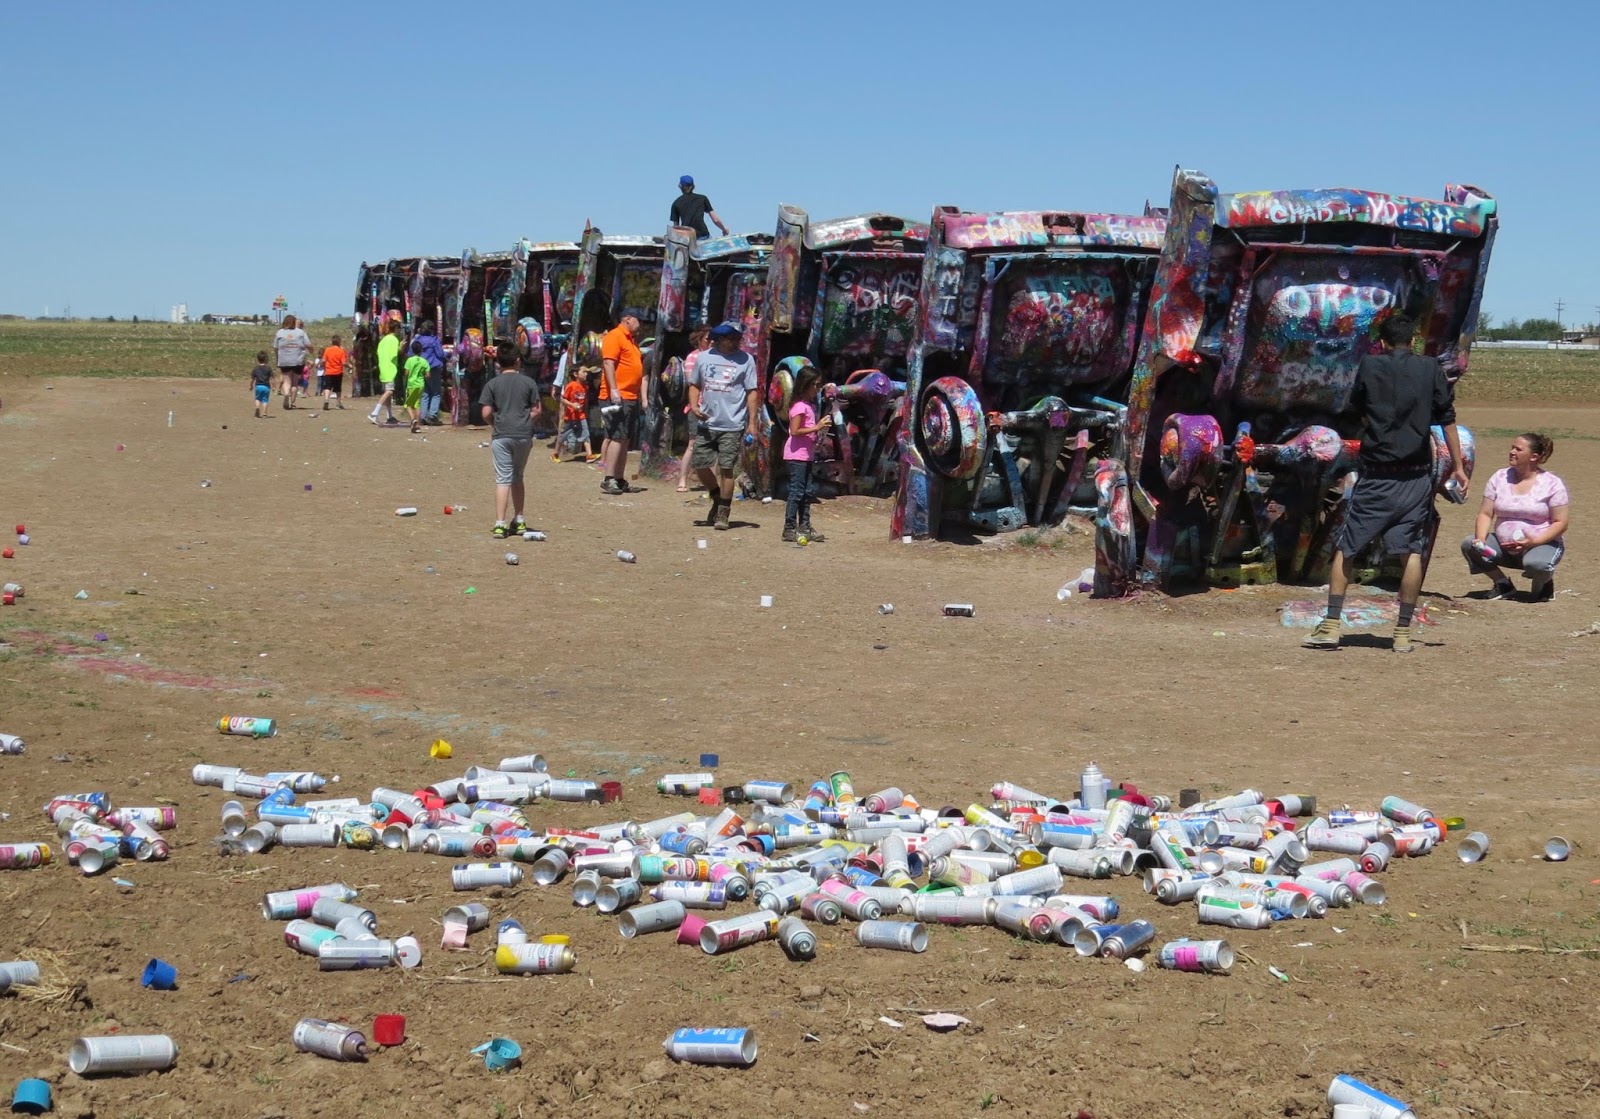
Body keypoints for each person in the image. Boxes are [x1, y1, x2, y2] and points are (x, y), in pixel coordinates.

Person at [1304, 314, 1467, 653]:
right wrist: (1459, 466)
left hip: (1378, 475)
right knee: (1411, 552)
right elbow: (1448, 419)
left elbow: (1356, 409)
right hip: (1416, 475)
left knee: (1346, 549)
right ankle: (1403, 633)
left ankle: (1332, 626)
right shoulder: (1429, 369)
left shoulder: (1370, 365)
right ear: (1414, 341)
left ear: (1382, 342)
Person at [1461, 433, 1570, 601]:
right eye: (1512, 447)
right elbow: (1485, 513)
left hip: (1540, 544)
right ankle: (1502, 584)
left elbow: (1561, 522)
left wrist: (1533, 542)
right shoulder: (1499, 477)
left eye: (1518, 449)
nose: (1512, 452)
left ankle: (1544, 583)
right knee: (1470, 544)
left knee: (1537, 567)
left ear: (1534, 457)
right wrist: (1481, 540)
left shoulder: (1552, 484)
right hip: (1505, 547)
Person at [688, 321, 759, 531]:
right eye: (733, 339)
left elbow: (752, 392)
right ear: (720, 339)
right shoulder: (703, 358)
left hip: (733, 424)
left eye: (739, 338)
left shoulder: (746, 360)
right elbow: (694, 384)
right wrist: (693, 405)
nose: (737, 343)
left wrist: (752, 423)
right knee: (700, 465)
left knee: (727, 468)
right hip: (707, 423)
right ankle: (717, 496)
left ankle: (723, 513)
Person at [479, 345, 541, 538]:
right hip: (523, 435)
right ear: (518, 361)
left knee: (503, 479)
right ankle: (520, 520)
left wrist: (495, 424)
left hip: (501, 435)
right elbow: (537, 410)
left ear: (498, 363)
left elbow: (486, 412)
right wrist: (524, 422)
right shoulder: (529, 382)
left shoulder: (492, 384)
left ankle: (500, 523)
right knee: (518, 476)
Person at [782, 365, 834, 542]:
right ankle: (789, 528)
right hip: (797, 455)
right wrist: (817, 427)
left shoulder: (808, 406)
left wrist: (820, 429)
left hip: (806, 455)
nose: (818, 389)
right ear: (806, 384)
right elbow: (795, 431)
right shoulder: (799, 407)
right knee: (797, 492)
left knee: (806, 492)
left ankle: (804, 525)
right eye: (816, 385)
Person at [599, 312, 646, 495]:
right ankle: (608, 479)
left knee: (625, 438)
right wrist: (614, 389)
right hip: (616, 396)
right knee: (617, 436)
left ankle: (619, 478)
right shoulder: (615, 336)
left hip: (630, 396)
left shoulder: (631, 341)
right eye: (638, 320)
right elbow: (609, 363)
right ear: (627, 318)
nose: (640, 324)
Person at [676, 328, 711, 492]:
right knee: (692, 443)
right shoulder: (693, 357)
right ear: (699, 340)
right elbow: (692, 381)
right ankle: (682, 479)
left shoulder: (716, 357)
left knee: (713, 444)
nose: (710, 342)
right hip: (697, 406)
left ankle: (710, 480)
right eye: (707, 339)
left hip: (713, 407)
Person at [413, 319, 449, 426]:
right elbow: (440, 354)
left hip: (420, 369)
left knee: (425, 393)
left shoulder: (417, 340)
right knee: (436, 393)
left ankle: (423, 416)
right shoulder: (434, 340)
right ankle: (432, 416)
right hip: (433, 369)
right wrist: (448, 355)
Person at [670, 175, 728, 240]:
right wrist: (724, 229)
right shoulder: (702, 199)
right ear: (693, 186)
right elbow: (715, 220)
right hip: (703, 235)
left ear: (680, 186)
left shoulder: (676, 203)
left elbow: (676, 228)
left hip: (688, 239)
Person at [273, 314, 312, 410]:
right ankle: (293, 403)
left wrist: (277, 357)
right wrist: (311, 350)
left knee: (286, 381)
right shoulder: (300, 332)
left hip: (284, 360)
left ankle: (286, 394)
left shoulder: (279, 333)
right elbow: (308, 344)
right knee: (295, 382)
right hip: (298, 360)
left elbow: (275, 347)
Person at [554, 372, 594, 462]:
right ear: (576, 374)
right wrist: (572, 405)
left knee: (586, 434)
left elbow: (584, 401)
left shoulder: (585, 387)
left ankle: (589, 455)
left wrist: (585, 411)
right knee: (562, 436)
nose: (586, 374)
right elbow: (563, 399)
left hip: (581, 416)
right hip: (570, 417)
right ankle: (555, 454)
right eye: (583, 372)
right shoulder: (571, 385)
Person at [369, 319, 401, 425]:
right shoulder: (394, 340)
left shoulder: (383, 340)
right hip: (390, 369)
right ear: (396, 329)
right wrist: (400, 348)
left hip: (383, 367)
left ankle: (389, 416)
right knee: (389, 392)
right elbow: (394, 354)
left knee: (388, 392)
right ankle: (375, 413)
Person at [403, 340, 429, 434]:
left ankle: (413, 419)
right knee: (417, 404)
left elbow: (406, 373)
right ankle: (417, 426)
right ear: (421, 350)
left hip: (411, 384)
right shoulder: (424, 361)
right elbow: (428, 375)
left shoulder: (409, 360)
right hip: (420, 384)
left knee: (408, 405)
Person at [320, 335, 348, 410]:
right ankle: (338, 403)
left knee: (327, 387)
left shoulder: (327, 350)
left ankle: (326, 400)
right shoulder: (341, 350)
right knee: (338, 388)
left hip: (328, 372)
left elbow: (323, 360)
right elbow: (343, 362)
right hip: (338, 372)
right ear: (339, 342)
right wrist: (349, 366)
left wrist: (322, 365)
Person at [250, 350, 274, 419]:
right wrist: (274, 386)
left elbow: (252, 378)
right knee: (265, 400)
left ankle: (257, 407)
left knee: (257, 398)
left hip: (258, 386)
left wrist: (251, 385)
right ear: (266, 359)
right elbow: (272, 378)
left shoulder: (256, 369)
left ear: (258, 359)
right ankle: (264, 414)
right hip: (266, 387)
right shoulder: (268, 368)